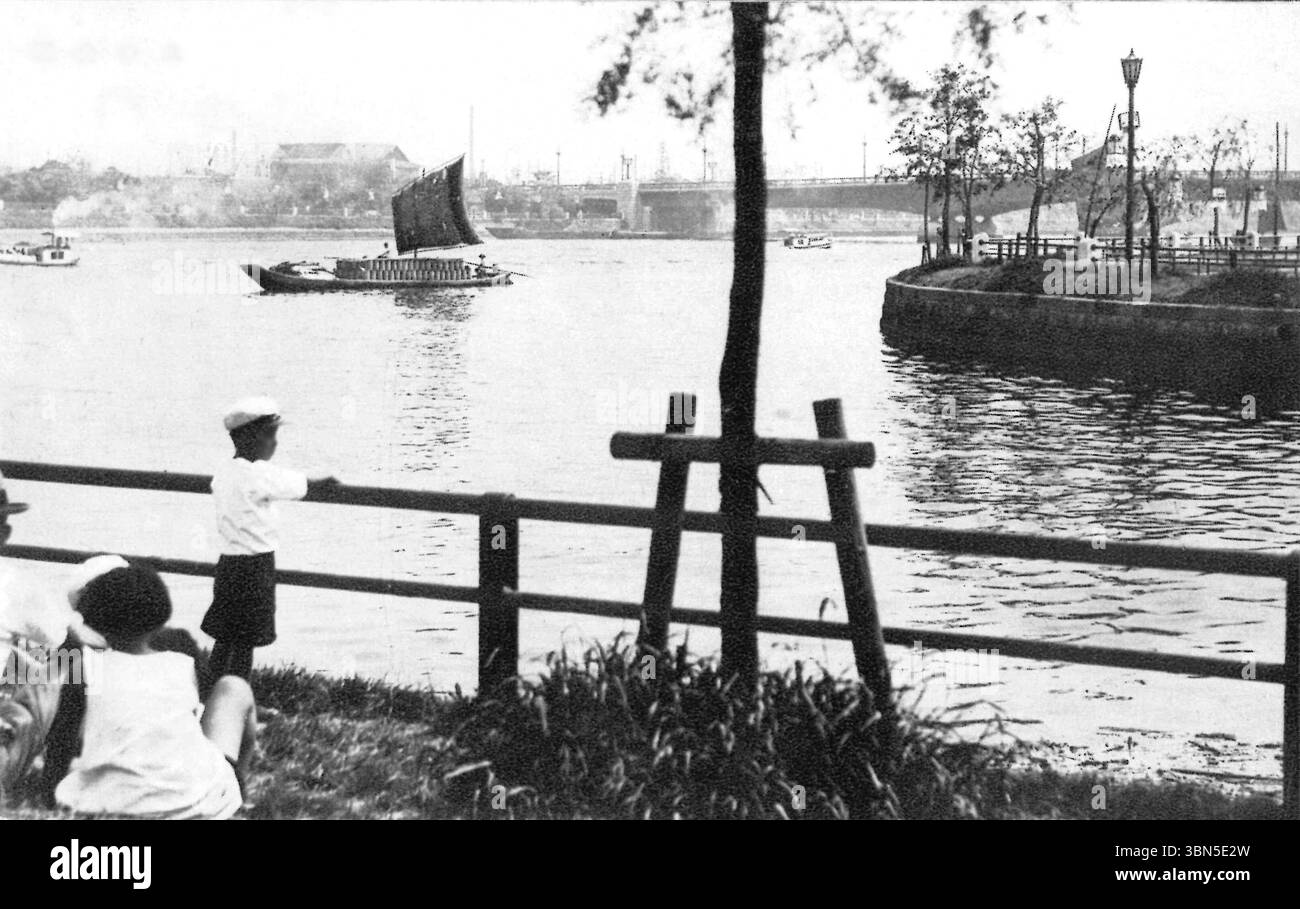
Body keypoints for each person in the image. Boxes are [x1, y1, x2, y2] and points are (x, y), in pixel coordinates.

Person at [44, 564, 255, 819]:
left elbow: (61, 740)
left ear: (91, 616)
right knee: (234, 687)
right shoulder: (181, 658)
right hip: (190, 804)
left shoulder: (82, 665)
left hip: (108, 804)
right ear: (160, 613)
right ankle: (236, 790)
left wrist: (52, 791)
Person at [201, 397, 336, 679]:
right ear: (253, 438)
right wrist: (325, 483)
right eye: (271, 435)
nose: (275, 443)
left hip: (228, 565)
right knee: (246, 640)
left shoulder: (224, 472)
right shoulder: (259, 474)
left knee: (225, 637)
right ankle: (240, 697)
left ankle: (210, 690)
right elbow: (299, 486)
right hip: (255, 567)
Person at [0, 469, 86, 798]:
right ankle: (55, 779)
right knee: (68, 659)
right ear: (4, 532)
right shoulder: (18, 584)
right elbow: (63, 643)